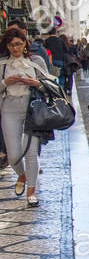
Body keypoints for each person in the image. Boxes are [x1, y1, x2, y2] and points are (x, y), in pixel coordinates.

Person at [1, 28, 56, 206]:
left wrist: (36, 83)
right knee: (13, 155)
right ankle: (22, 175)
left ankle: (31, 192)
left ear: (25, 43)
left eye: (18, 44)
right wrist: (5, 82)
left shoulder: (36, 61)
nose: (15, 48)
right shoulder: (2, 64)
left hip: (32, 110)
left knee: (31, 152)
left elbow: (50, 85)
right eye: (11, 45)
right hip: (9, 109)